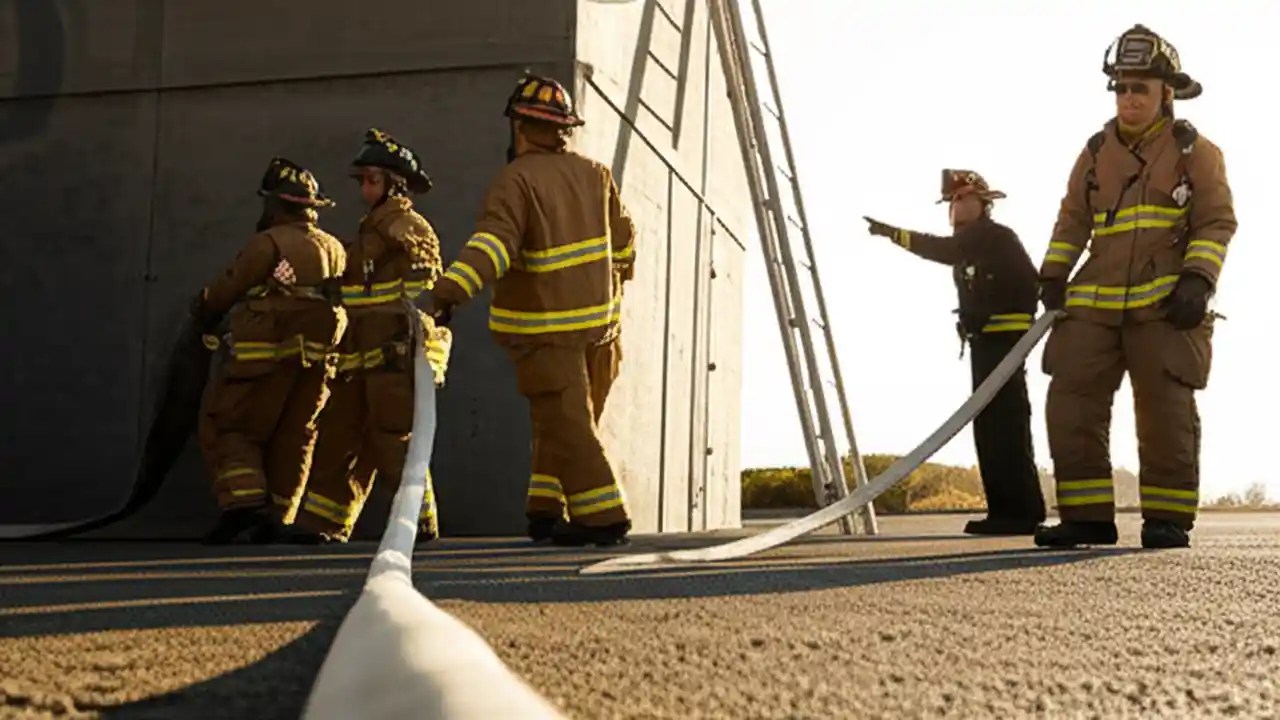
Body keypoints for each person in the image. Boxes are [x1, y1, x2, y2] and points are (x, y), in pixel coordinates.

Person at [1033, 24, 1236, 549]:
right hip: (1095, 304)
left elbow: (1216, 221)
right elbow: (1072, 219)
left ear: (1166, 92)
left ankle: (1166, 519)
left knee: (1165, 411)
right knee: (1071, 400)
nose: (1128, 98)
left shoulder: (1197, 152)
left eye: (1139, 88)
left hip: (1166, 308)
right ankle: (1086, 517)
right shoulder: (1096, 151)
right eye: (1121, 87)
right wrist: (1054, 272)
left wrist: (1199, 278)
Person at [430, 73, 637, 546]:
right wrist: (608, 290)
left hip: (546, 331)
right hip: (602, 330)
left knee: (567, 422)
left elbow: (494, 246)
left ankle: (603, 518)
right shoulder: (595, 174)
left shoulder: (515, 181)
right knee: (556, 421)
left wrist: (449, 292)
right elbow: (625, 245)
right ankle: (545, 509)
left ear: (518, 126)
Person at [291, 128, 452, 544]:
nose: (364, 188)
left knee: (393, 439)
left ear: (394, 184)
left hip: (391, 351)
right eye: (362, 180)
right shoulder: (368, 230)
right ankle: (323, 524)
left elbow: (426, 277)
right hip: (358, 349)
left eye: (372, 180)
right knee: (341, 436)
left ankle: (420, 523)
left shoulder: (406, 224)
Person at [864, 169, 1046, 535]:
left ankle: (1021, 512)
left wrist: (893, 234)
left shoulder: (993, 237)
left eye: (963, 199)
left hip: (1003, 345)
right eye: (951, 202)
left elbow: (943, 251)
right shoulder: (973, 242)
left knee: (1005, 426)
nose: (955, 207)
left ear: (984, 203)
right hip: (985, 344)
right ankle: (1006, 511)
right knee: (990, 427)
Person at [193, 157, 348, 545]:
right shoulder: (334, 248)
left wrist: (202, 308)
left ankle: (242, 506)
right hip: (316, 364)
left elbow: (229, 287)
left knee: (232, 426)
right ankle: (280, 515)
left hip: (263, 358)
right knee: (296, 436)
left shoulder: (268, 243)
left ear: (275, 204)